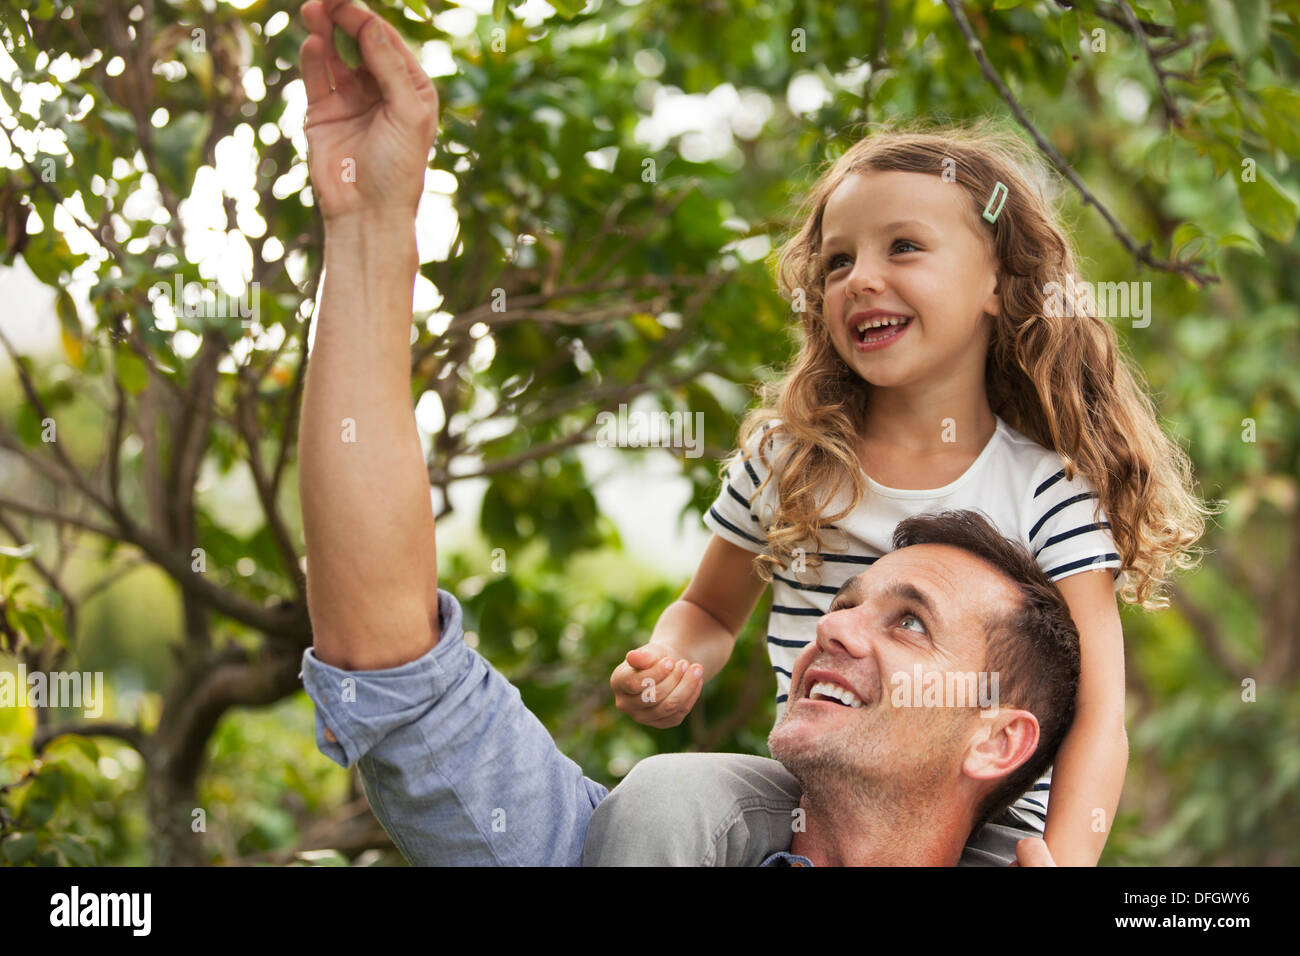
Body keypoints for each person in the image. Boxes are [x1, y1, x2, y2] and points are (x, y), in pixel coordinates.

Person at [292, 0, 1070, 867]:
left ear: (998, 740)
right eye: (842, 601)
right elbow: (398, 673)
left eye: (913, 625)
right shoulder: (616, 845)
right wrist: (368, 227)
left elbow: (1102, 715)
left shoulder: (1047, 485)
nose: (834, 630)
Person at [606, 122, 1210, 865]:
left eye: (903, 246)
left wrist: (1064, 858)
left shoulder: (1049, 490)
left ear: (999, 283)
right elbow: (707, 610)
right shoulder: (788, 460)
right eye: (836, 261)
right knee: (667, 795)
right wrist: (673, 660)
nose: (859, 278)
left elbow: (1099, 714)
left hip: (984, 825)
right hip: (810, 798)